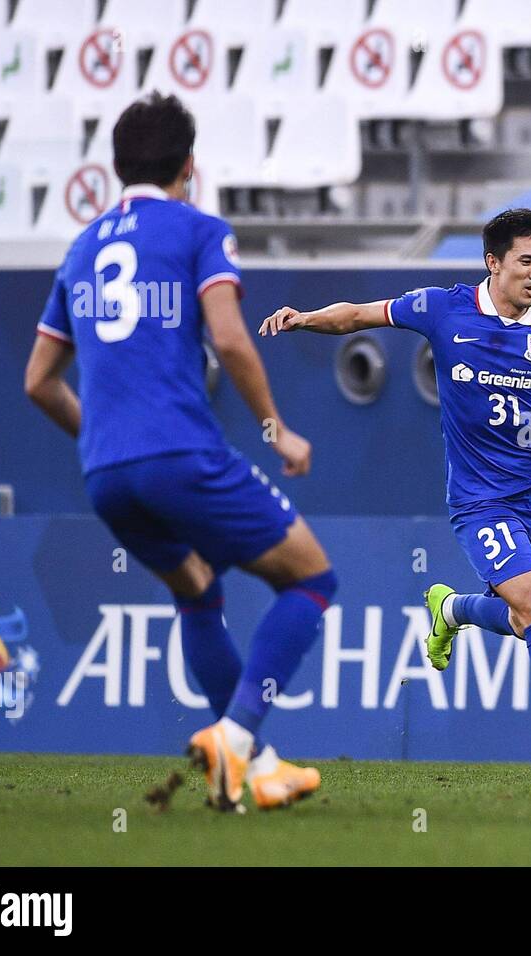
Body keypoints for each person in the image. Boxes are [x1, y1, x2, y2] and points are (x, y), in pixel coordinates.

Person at [24, 92, 336, 811]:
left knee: (197, 589)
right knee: (313, 580)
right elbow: (229, 338)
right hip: (181, 453)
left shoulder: (82, 246)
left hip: (104, 473)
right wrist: (276, 430)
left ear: (114, 166)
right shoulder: (200, 231)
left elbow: (38, 381)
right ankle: (235, 735)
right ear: (189, 164)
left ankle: (252, 767)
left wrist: (101, 440)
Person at [257, 207, 531, 773]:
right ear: (494, 262)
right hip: (479, 501)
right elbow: (361, 316)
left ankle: (452, 609)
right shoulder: (444, 308)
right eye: (526, 261)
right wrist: (305, 317)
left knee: (525, 618)